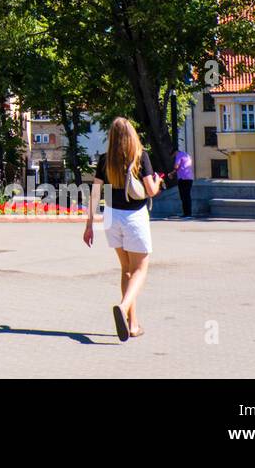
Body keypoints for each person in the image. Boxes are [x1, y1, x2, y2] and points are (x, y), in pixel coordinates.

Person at [83, 118, 164, 342]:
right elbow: (149, 190)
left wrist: (89, 225)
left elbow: (95, 194)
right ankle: (124, 306)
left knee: (126, 269)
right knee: (140, 270)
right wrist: (157, 183)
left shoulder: (104, 160)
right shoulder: (140, 156)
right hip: (134, 217)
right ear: (132, 135)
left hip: (110, 216)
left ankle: (133, 324)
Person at [173, 146, 195, 218]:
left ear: (175, 152)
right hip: (189, 178)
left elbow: (176, 166)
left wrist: (171, 173)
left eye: (173, 155)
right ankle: (188, 213)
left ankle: (187, 214)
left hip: (183, 178)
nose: (174, 156)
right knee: (187, 196)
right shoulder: (186, 155)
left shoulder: (178, 155)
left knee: (183, 196)